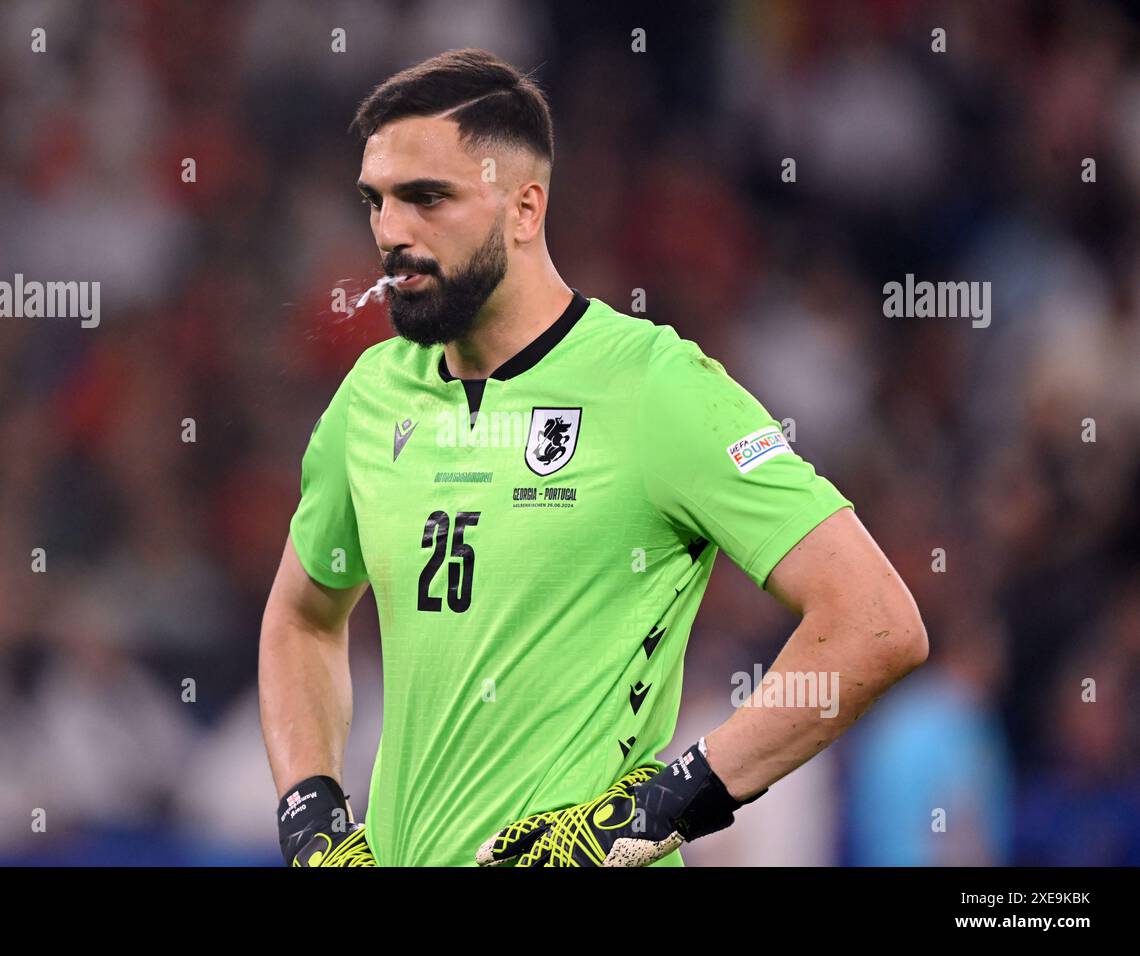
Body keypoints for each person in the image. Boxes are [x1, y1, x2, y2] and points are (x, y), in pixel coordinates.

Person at [258, 48, 927, 867]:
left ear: (523, 207)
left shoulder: (657, 387)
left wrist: (657, 810)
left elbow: (875, 621)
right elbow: (301, 616)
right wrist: (312, 817)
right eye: (377, 201)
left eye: (427, 198)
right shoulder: (372, 395)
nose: (392, 233)